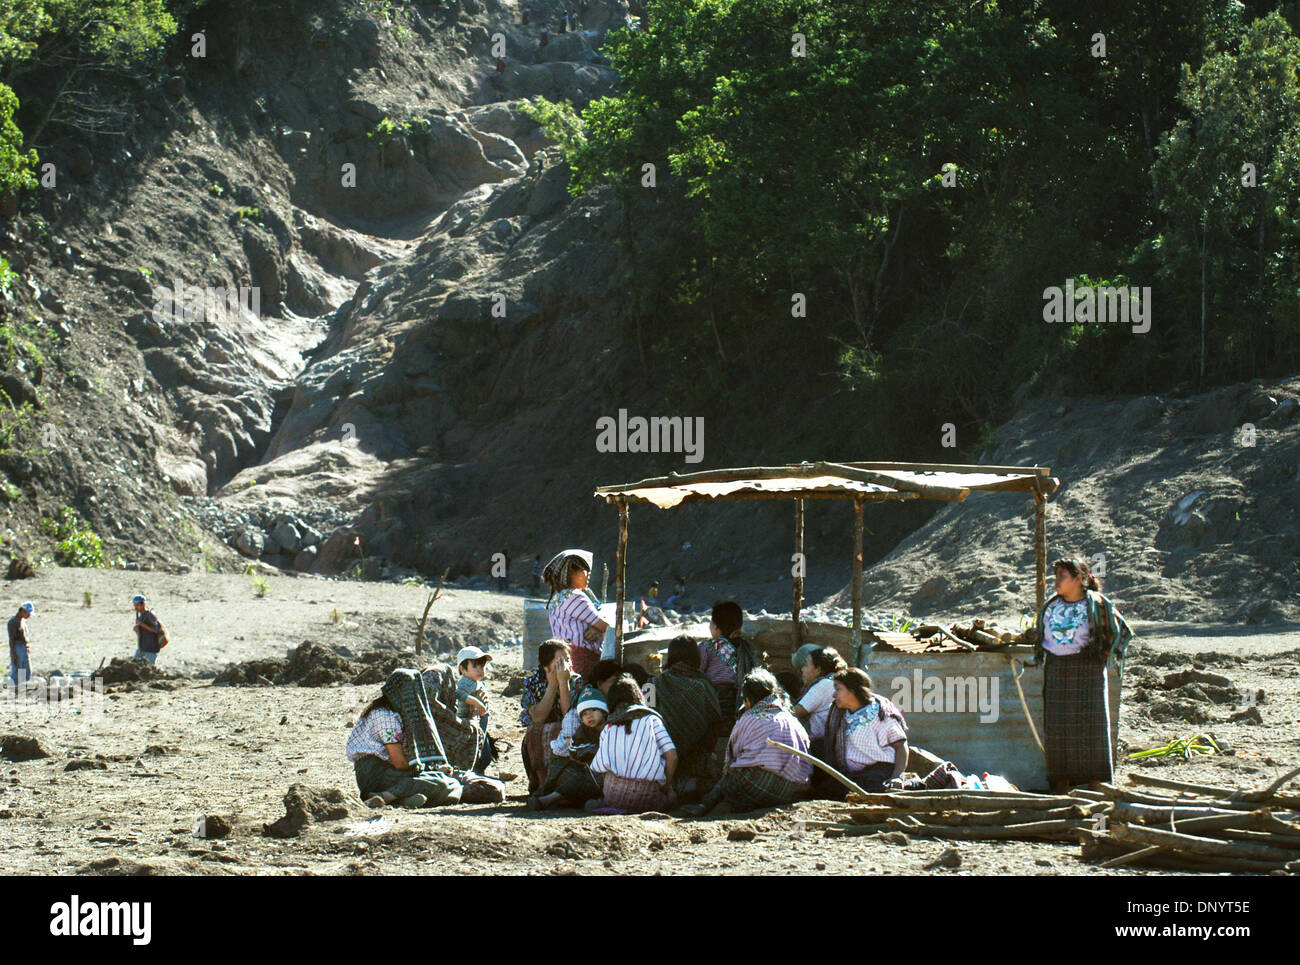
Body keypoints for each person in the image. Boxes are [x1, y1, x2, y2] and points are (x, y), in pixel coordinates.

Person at [1030, 556, 1134, 793]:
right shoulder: (1051, 605)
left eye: (1062, 576)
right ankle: (1061, 783)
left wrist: (1099, 655)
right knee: (1058, 727)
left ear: (1079, 579)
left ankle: (1096, 783)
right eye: (1056, 576)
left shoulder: (1096, 604)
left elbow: (1119, 631)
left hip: (1087, 672)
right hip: (1056, 670)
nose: (1056, 581)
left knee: (1091, 727)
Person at [686, 669, 811, 816]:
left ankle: (704, 806)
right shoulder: (791, 718)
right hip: (790, 791)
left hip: (757, 787)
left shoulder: (750, 717)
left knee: (729, 779)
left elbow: (733, 757)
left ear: (748, 700)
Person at [346, 680, 462, 808]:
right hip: (376, 774)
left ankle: (398, 799)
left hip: (393, 772)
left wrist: (434, 771)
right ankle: (385, 796)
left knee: (454, 786)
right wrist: (431, 771)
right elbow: (400, 763)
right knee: (441, 783)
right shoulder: (384, 716)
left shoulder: (400, 715)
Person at [586, 675, 678, 814]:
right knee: (672, 797)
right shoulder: (652, 720)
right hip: (647, 798)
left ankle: (608, 806)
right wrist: (666, 785)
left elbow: (602, 768)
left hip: (613, 795)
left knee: (595, 802)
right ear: (638, 696)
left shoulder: (609, 727)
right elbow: (672, 757)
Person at [649, 636, 722, 798]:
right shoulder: (705, 685)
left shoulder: (652, 683)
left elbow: (646, 719)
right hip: (698, 759)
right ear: (696, 658)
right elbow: (716, 722)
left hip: (663, 759)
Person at [819, 668, 909, 797]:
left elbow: (901, 746)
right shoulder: (839, 713)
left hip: (878, 772)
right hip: (851, 775)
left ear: (853, 690)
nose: (834, 695)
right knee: (826, 790)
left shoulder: (880, 713)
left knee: (869, 788)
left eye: (838, 689)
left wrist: (897, 778)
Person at [519, 639, 583, 793]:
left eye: (568, 660)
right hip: (540, 738)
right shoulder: (533, 684)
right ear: (546, 666)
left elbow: (568, 715)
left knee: (562, 729)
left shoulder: (577, 682)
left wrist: (563, 684)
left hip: (567, 733)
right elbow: (538, 717)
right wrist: (553, 685)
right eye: (561, 661)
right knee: (536, 730)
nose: (567, 665)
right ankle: (542, 784)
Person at [529, 687, 608, 809]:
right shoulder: (582, 731)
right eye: (585, 714)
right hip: (587, 771)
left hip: (605, 773)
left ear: (603, 711)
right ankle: (549, 800)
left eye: (593, 710)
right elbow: (575, 749)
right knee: (574, 778)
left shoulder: (611, 728)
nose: (589, 716)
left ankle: (549, 800)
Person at [543, 550, 608, 679]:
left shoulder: (559, 597)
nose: (588, 574)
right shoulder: (575, 597)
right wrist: (599, 629)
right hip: (583, 658)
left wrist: (597, 629)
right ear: (572, 573)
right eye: (585, 570)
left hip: (564, 658)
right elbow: (606, 626)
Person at [698, 600, 758, 731]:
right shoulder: (745, 647)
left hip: (714, 699)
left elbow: (698, 671)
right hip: (740, 699)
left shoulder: (708, 646)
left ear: (715, 627)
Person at [793, 646, 845, 761]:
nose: (802, 669)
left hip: (819, 747)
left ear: (818, 670)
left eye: (806, 665)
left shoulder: (824, 685)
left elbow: (795, 712)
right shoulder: (831, 681)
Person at [456, 646, 495, 772]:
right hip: (468, 722)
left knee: (483, 750)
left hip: (479, 719)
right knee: (477, 751)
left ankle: (479, 772)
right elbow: (458, 693)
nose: (480, 670)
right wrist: (474, 702)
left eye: (482, 666)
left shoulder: (477, 682)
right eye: (475, 666)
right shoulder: (465, 682)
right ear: (462, 669)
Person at [132, 594, 167, 664]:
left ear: (143, 604)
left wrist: (142, 624)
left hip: (151, 649)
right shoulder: (141, 615)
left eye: (137, 605)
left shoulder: (150, 615)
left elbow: (155, 629)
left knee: (148, 670)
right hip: (142, 648)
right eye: (134, 605)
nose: (135, 607)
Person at [7, 601, 33, 687]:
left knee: (26, 671)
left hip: (24, 648)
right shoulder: (13, 622)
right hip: (17, 648)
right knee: (17, 671)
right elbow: (12, 639)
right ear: (22, 611)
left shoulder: (23, 622)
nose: (29, 616)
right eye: (27, 613)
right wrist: (13, 653)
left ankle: (22, 689)